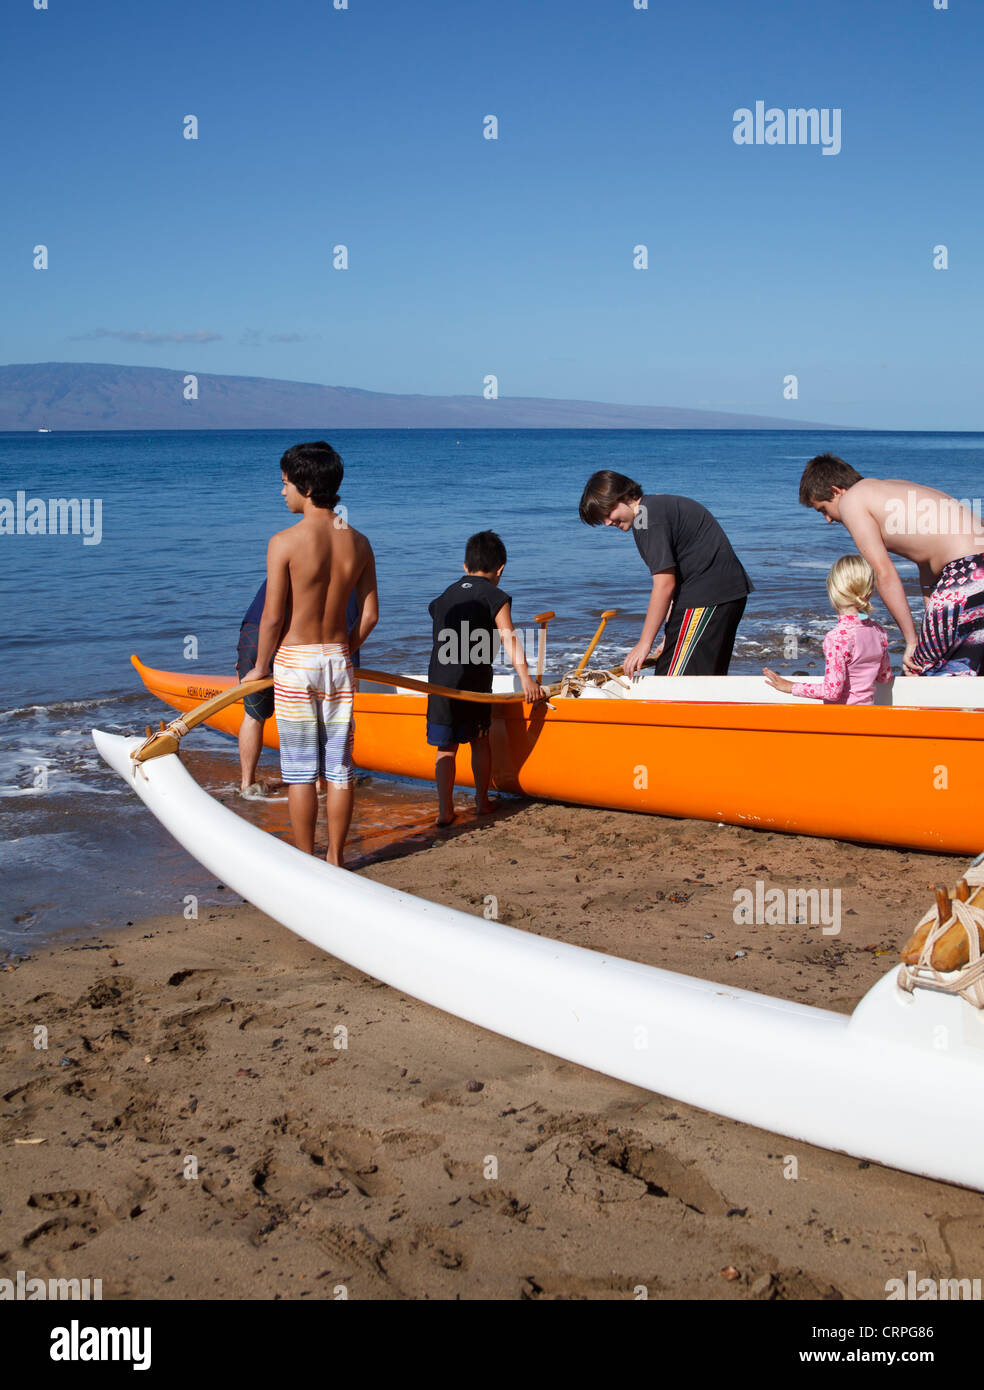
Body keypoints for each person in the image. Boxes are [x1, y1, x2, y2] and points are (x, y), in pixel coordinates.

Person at [241, 442, 378, 867]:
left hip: (295, 663)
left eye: (284, 484)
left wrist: (259, 668)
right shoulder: (358, 541)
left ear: (304, 485)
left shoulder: (284, 542)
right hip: (338, 660)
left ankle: (306, 860)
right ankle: (336, 858)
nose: (281, 493)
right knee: (339, 768)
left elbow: (271, 618)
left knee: (300, 770)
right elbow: (371, 615)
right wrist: (344, 650)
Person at [799, 454, 984, 676]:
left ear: (836, 491)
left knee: (925, 671)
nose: (828, 519)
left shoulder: (852, 501)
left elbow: (883, 574)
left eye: (823, 509)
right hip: (971, 568)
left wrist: (912, 641)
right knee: (971, 670)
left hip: (967, 572)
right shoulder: (892, 489)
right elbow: (927, 559)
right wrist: (929, 616)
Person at [578, 470, 753, 676]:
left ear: (623, 496)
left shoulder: (647, 518)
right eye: (602, 520)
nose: (608, 523)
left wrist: (644, 643)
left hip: (707, 597)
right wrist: (670, 634)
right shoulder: (654, 507)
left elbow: (664, 585)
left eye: (608, 513)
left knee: (672, 679)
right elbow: (677, 581)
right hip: (727, 593)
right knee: (706, 676)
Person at [427, 530, 544, 827]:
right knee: (480, 740)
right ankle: (482, 801)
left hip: (439, 681)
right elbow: (508, 638)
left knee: (446, 748)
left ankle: (445, 810)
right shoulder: (494, 595)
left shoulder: (443, 598)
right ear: (500, 569)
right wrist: (526, 679)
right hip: (474, 682)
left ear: (464, 567)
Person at [237, 583, 363, 794]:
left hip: (254, 634)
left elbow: (269, 616)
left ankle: (247, 784)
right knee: (313, 713)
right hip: (291, 641)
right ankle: (318, 783)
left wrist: (250, 662)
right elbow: (347, 639)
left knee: (253, 716)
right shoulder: (345, 580)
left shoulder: (291, 555)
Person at [763, 555, 892, 704]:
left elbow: (832, 692)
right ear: (869, 591)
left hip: (840, 720)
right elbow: (884, 676)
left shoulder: (837, 638)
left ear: (834, 590)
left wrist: (791, 687)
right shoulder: (878, 632)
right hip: (867, 714)